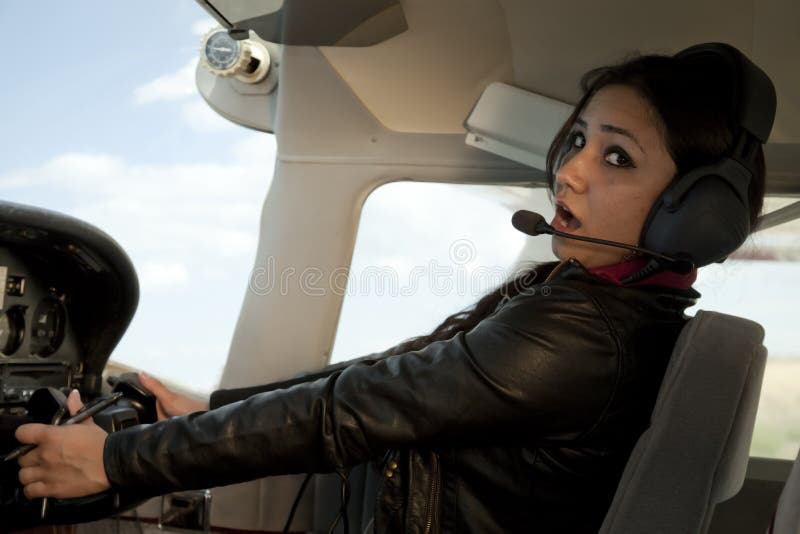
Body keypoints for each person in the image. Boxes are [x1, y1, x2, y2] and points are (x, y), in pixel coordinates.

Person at [13, 43, 771, 533]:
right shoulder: (599, 306)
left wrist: (116, 462)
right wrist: (217, 407)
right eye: (578, 139)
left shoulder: (577, 336)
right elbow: (397, 376)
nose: (570, 168)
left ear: (692, 215)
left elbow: (352, 410)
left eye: (617, 159)